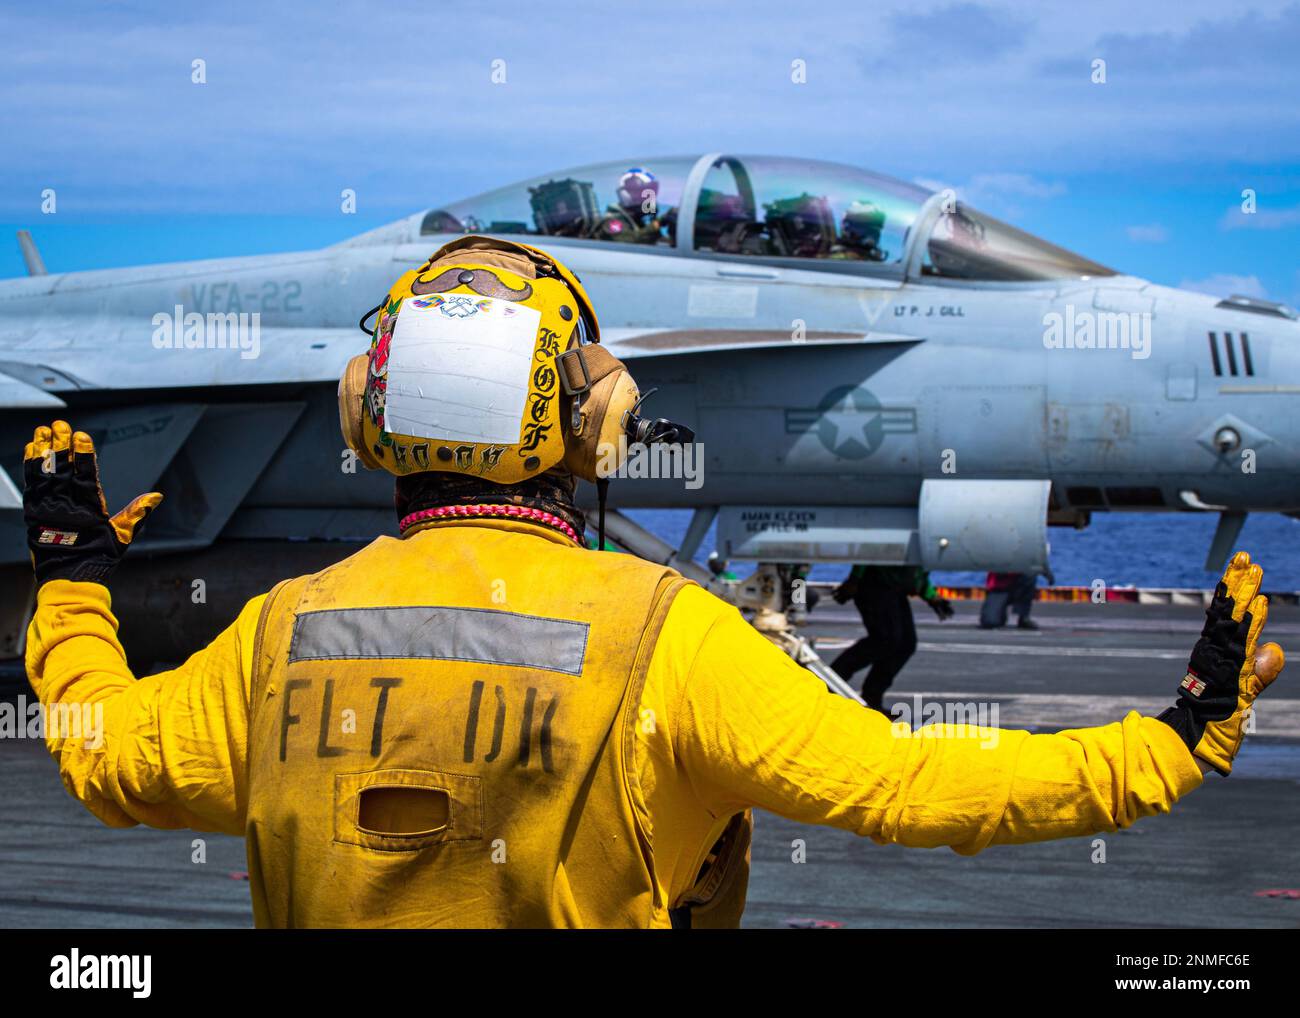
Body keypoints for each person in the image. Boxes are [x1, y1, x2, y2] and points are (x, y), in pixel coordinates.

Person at [22, 236, 1285, 929]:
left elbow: (102, 750)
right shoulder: (665, 638)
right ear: (594, 425)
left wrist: (75, 579)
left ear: (372, 414)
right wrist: (1173, 740)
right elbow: (913, 788)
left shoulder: (282, 632)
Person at [829, 565, 954, 710]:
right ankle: (830, 683)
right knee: (885, 639)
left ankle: (871, 699)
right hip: (875, 582)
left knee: (905, 644)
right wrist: (855, 578)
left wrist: (931, 596)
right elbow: (871, 552)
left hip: (894, 588)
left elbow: (916, 570)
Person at [591, 167, 663, 244]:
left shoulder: (635, 220)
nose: (648, 199)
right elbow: (630, 241)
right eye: (641, 194)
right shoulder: (611, 221)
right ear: (626, 194)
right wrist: (658, 223)